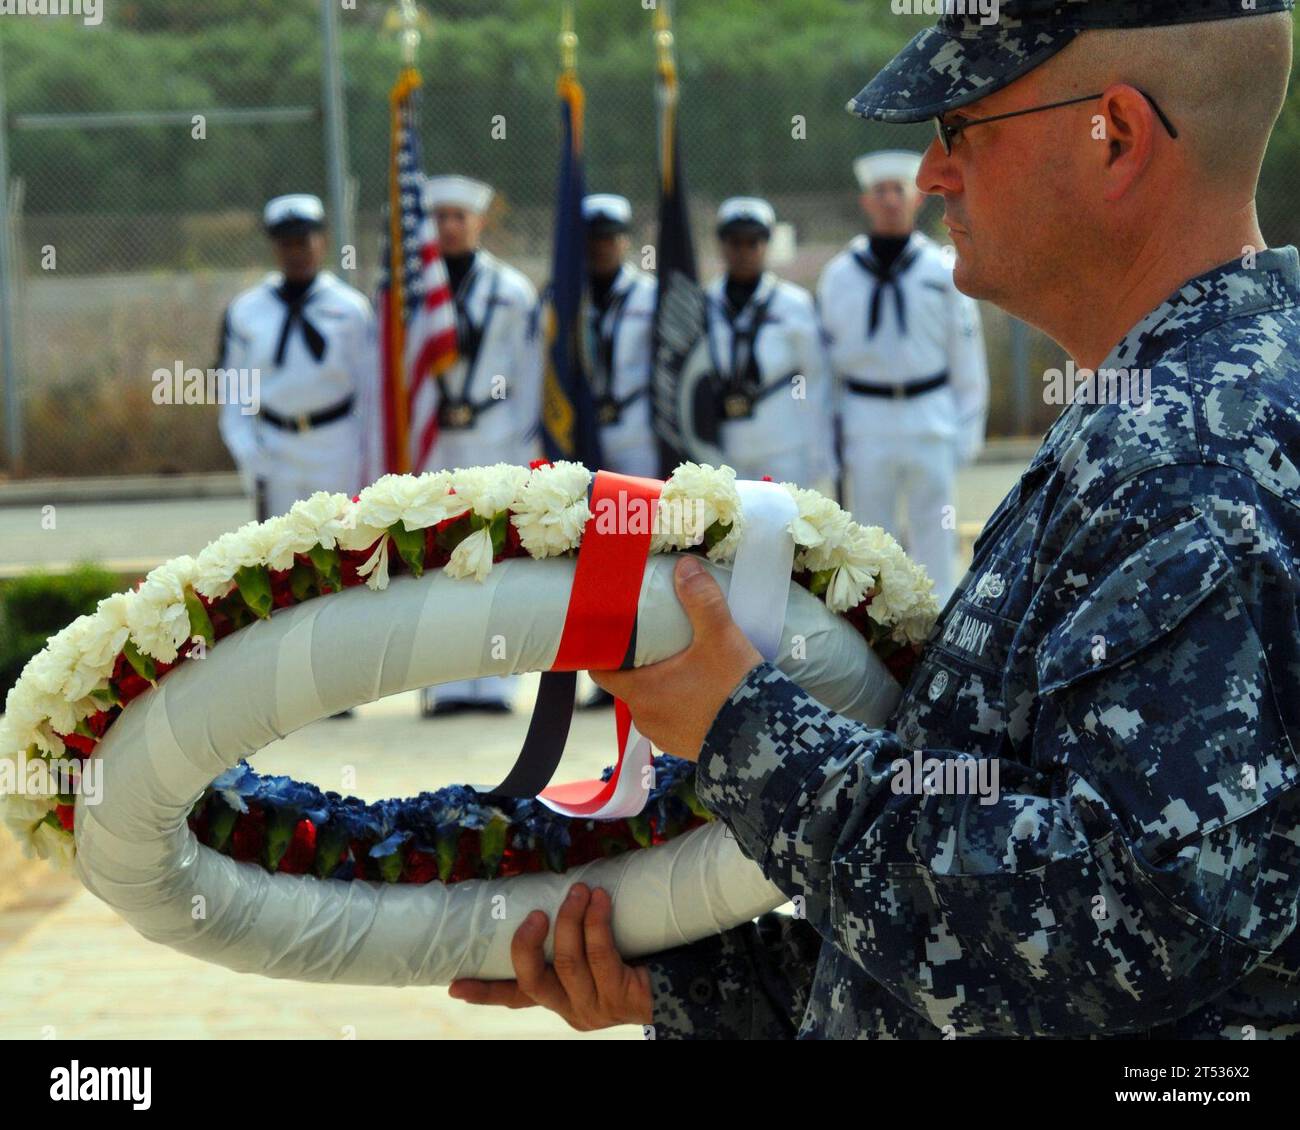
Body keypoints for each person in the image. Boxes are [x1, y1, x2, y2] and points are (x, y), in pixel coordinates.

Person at [448, 0, 1300, 1039]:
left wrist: (742, 728)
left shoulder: (1185, 457)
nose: (934, 174)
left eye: (960, 129)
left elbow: (1119, 920)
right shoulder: (1198, 401)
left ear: (1111, 136)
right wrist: (693, 988)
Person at [819, 151, 989, 601]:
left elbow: (967, 354)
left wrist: (968, 429)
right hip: (865, 416)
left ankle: (938, 619)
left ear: (916, 200)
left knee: (936, 529)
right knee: (872, 533)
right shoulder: (840, 276)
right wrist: (828, 433)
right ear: (866, 202)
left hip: (929, 414)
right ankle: (881, 625)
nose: (890, 200)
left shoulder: (942, 268)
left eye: (899, 191)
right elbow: (825, 367)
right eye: (881, 192)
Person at [419, 174, 543, 717]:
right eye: (438, 217)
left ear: (479, 222)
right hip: (435, 437)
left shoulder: (512, 291)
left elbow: (530, 375)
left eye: (458, 217)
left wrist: (526, 445)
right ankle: (446, 681)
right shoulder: (414, 291)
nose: (449, 226)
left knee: (496, 558)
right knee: (439, 558)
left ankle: (496, 682)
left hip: (495, 433)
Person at [216, 194, 373, 522]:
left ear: (324, 242)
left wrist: (368, 455)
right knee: (281, 555)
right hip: (275, 447)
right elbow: (233, 392)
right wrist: (247, 450)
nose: (296, 252)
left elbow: (371, 390)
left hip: (337, 447)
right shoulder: (246, 311)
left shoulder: (351, 309)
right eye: (286, 243)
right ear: (274, 247)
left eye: (304, 242)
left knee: (342, 547)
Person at [703, 198, 835, 490]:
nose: (744, 251)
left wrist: (817, 449)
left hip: (783, 443)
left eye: (753, 242)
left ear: (767, 244)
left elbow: (815, 375)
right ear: (721, 245)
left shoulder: (793, 303)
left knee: (783, 528)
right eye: (734, 242)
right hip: (726, 447)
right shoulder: (706, 304)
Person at [582, 194, 659, 479]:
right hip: (582, 429)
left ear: (625, 240)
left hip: (636, 433)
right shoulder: (566, 299)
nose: (601, 247)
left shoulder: (650, 294)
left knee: (636, 517)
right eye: (593, 239)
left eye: (609, 238)